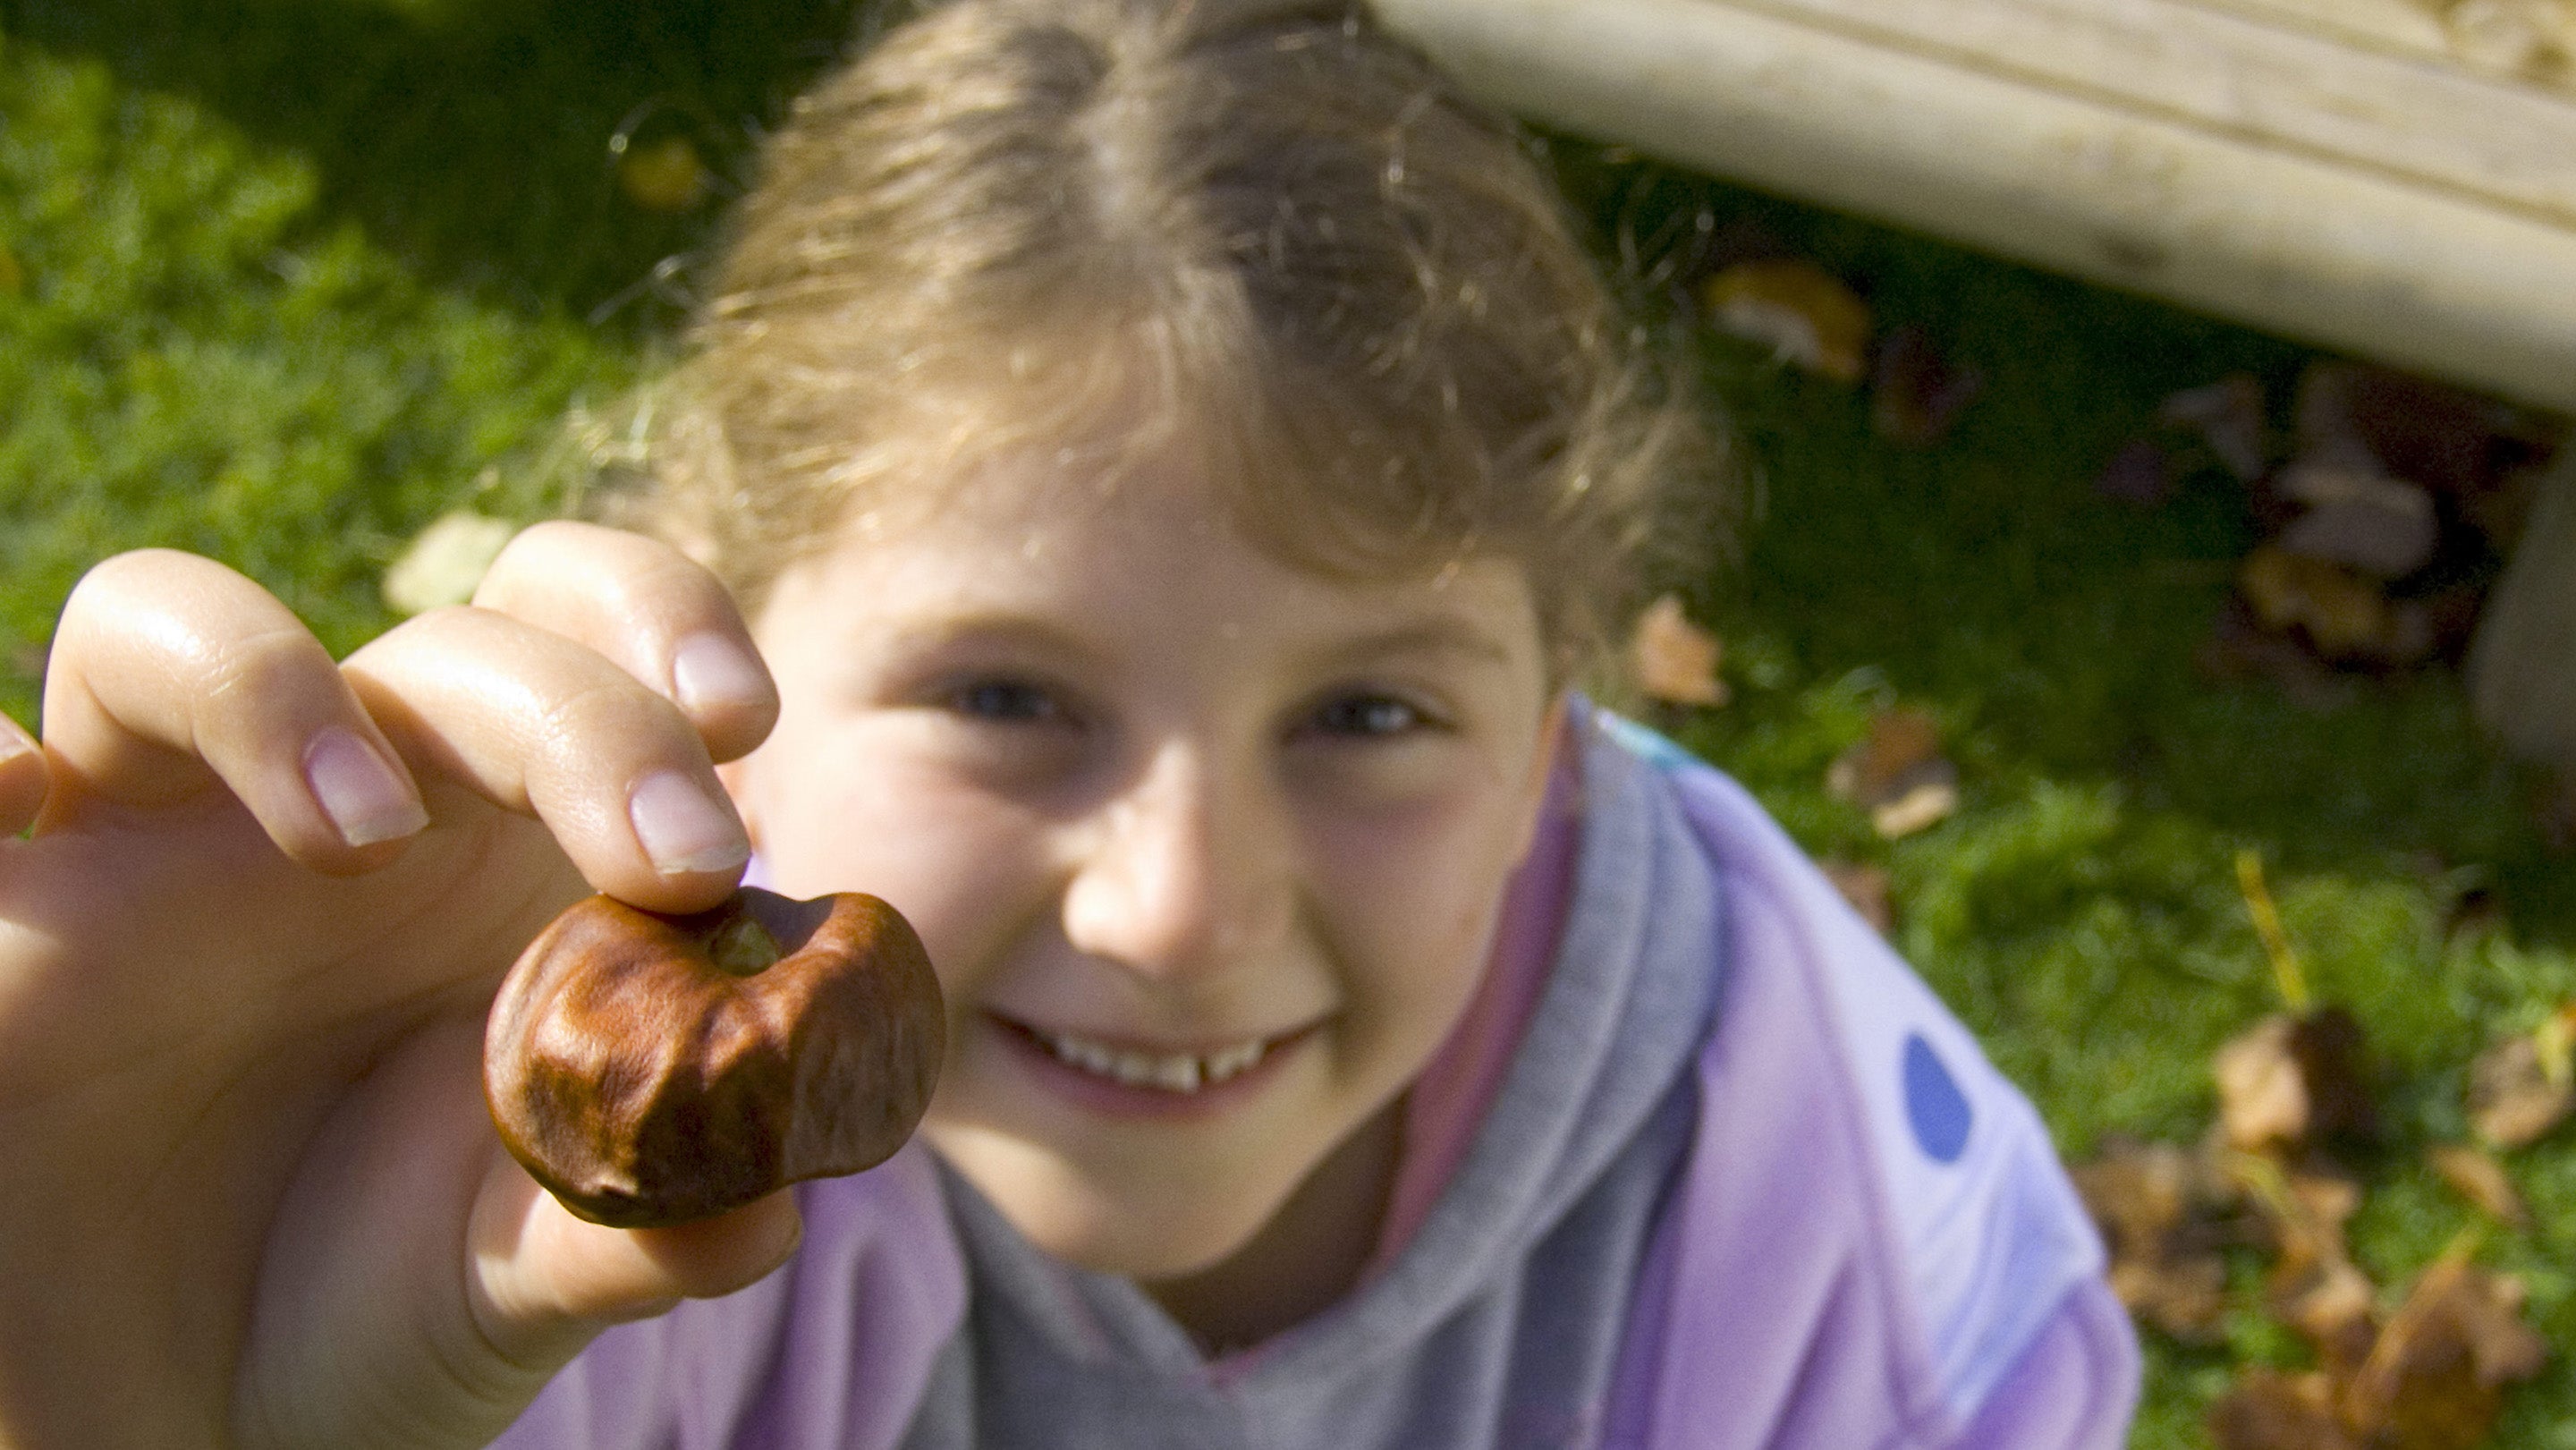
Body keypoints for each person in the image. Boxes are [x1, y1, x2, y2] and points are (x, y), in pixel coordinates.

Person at [0, 0, 2140, 1445]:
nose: (1180, 908)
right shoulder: (543, 1196)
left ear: (1555, 731)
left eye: (1371, 709)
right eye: (1005, 696)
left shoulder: (1842, 1236)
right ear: (716, 652)